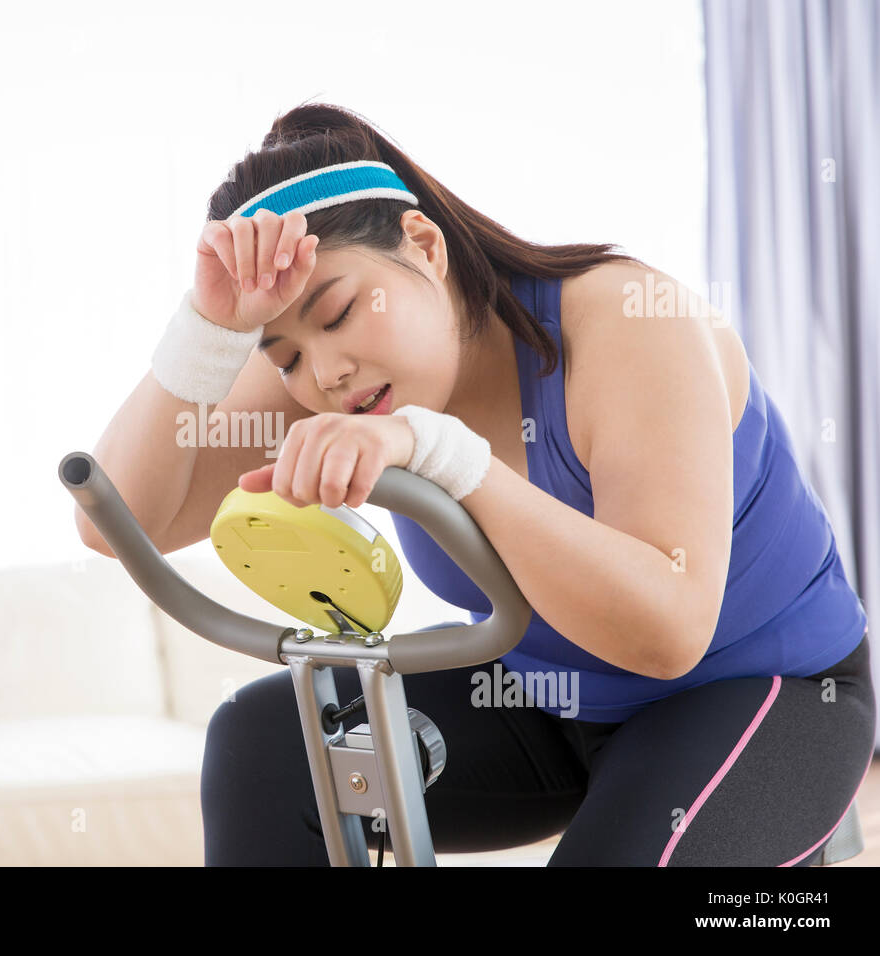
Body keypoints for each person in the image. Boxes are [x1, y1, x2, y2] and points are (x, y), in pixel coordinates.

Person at [75, 102, 875, 866]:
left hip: (761, 693)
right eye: (281, 355)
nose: (322, 371)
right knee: (265, 745)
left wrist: (445, 454)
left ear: (423, 246)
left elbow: (667, 634)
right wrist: (206, 330)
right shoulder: (332, 378)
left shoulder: (627, 321)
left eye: (341, 311)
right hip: (547, 698)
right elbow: (115, 522)